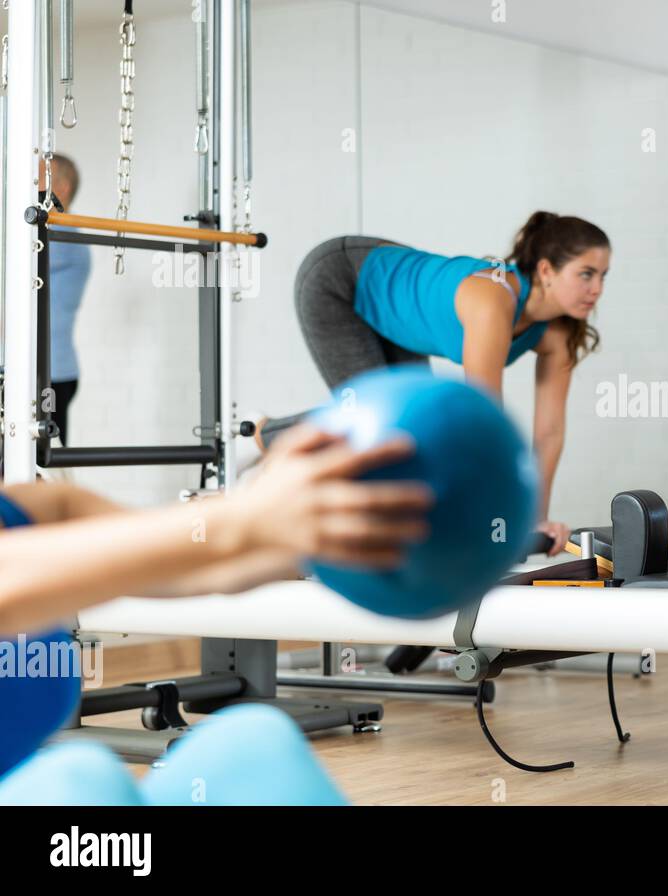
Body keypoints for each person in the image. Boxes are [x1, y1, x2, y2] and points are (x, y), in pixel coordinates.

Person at [0, 425, 431, 804]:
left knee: (254, 744)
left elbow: (204, 559)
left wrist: (335, 530)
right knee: (78, 786)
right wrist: (244, 519)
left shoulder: (29, 512)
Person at [257, 212, 611, 558]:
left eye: (603, 276)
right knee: (385, 423)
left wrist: (535, 521)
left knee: (413, 436)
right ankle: (260, 435)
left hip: (399, 316)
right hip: (339, 279)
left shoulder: (558, 335)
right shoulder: (492, 303)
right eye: (586, 274)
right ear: (547, 270)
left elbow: (548, 434)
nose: (597, 289)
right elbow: (483, 423)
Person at [42, 154, 92, 445]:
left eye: (36, 180)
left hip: (51, 376)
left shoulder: (63, 236)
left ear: (59, 189)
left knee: (45, 467)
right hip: (34, 372)